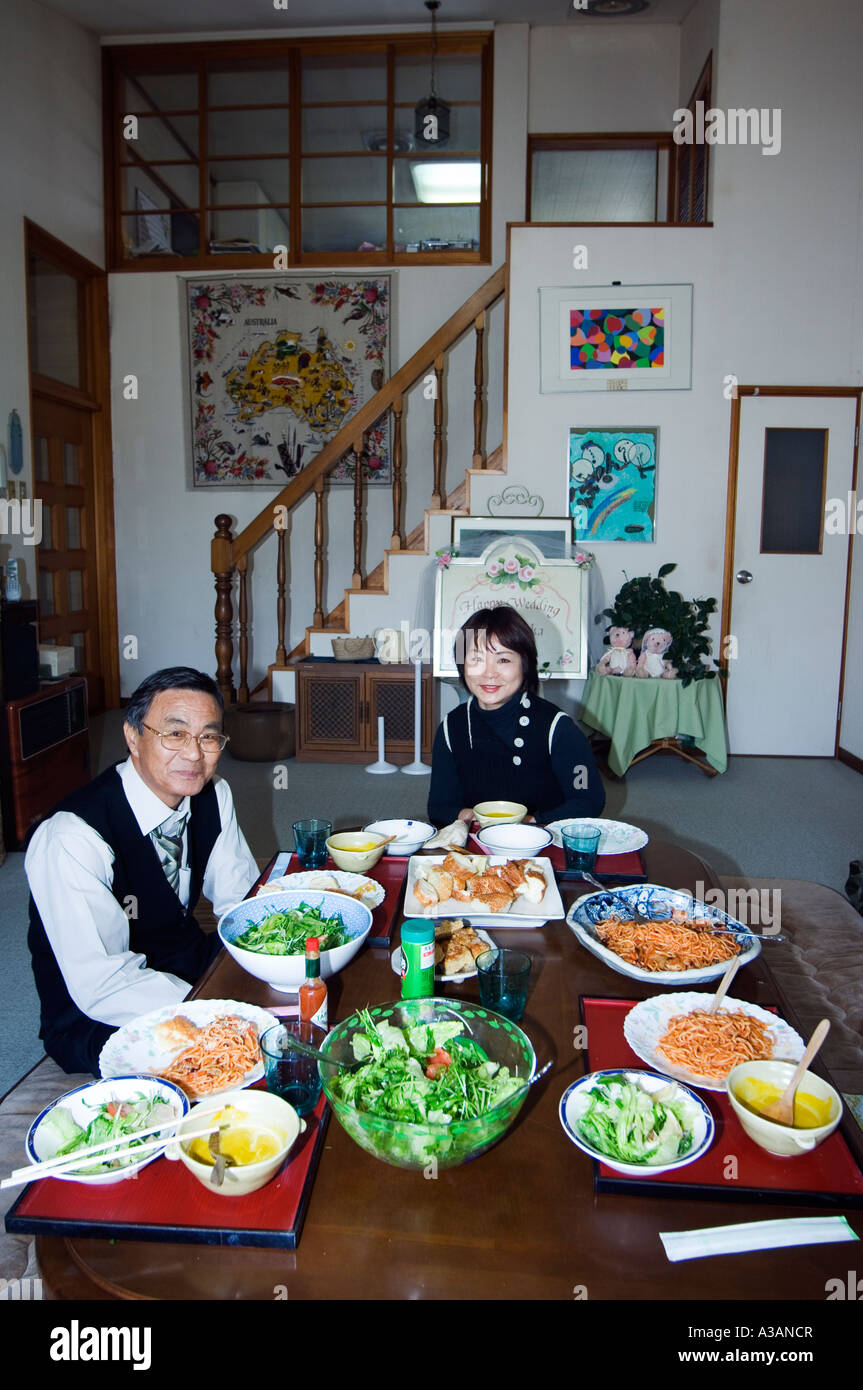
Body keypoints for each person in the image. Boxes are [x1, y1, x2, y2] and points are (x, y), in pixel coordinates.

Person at [26, 667, 259, 1075]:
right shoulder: (71, 836)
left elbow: (241, 903)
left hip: (186, 961)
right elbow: (103, 982)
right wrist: (215, 1012)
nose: (193, 753)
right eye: (174, 734)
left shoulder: (213, 794)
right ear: (133, 737)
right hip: (99, 1010)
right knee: (228, 1066)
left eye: (208, 736)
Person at [427, 606, 605, 827]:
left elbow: (589, 800)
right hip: (478, 845)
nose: (489, 673)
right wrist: (465, 815)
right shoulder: (451, 728)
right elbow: (438, 807)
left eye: (503, 660)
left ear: (525, 664)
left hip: (544, 842)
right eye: (476, 659)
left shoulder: (557, 727)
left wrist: (534, 821)